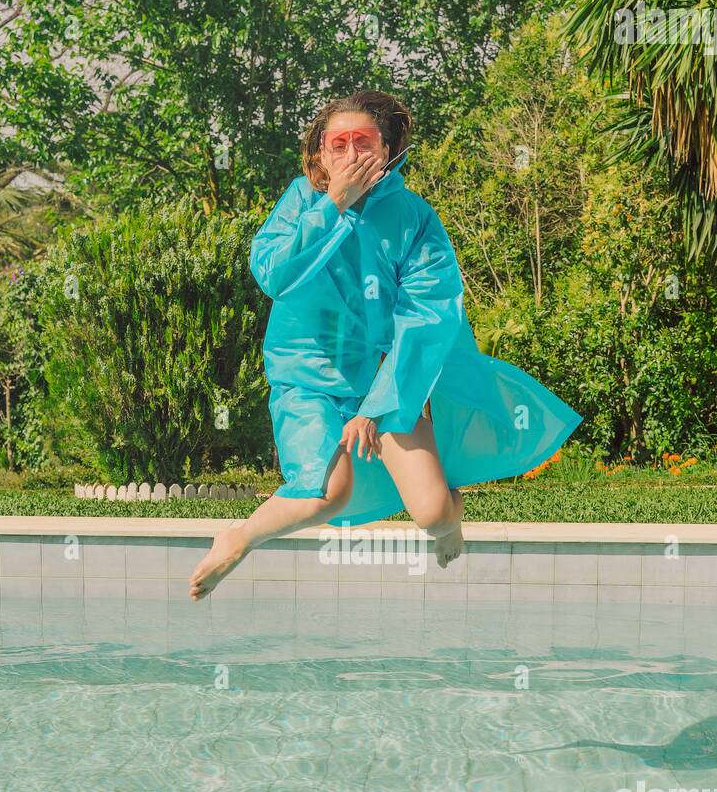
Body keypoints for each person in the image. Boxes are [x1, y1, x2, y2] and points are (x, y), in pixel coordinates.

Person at [189, 89, 581, 600]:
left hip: (388, 381)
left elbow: (427, 318)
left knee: (435, 514)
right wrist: (335, 206)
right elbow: (273, 275)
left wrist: (376, 408)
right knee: (324, 496)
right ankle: (237, 539)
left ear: (389, 149)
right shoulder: (302, 200)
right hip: (309, 377)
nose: (350, 155)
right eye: (338, 144)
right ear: (320, 153)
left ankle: (451, 521)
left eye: (364, 143)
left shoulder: (414, 218)